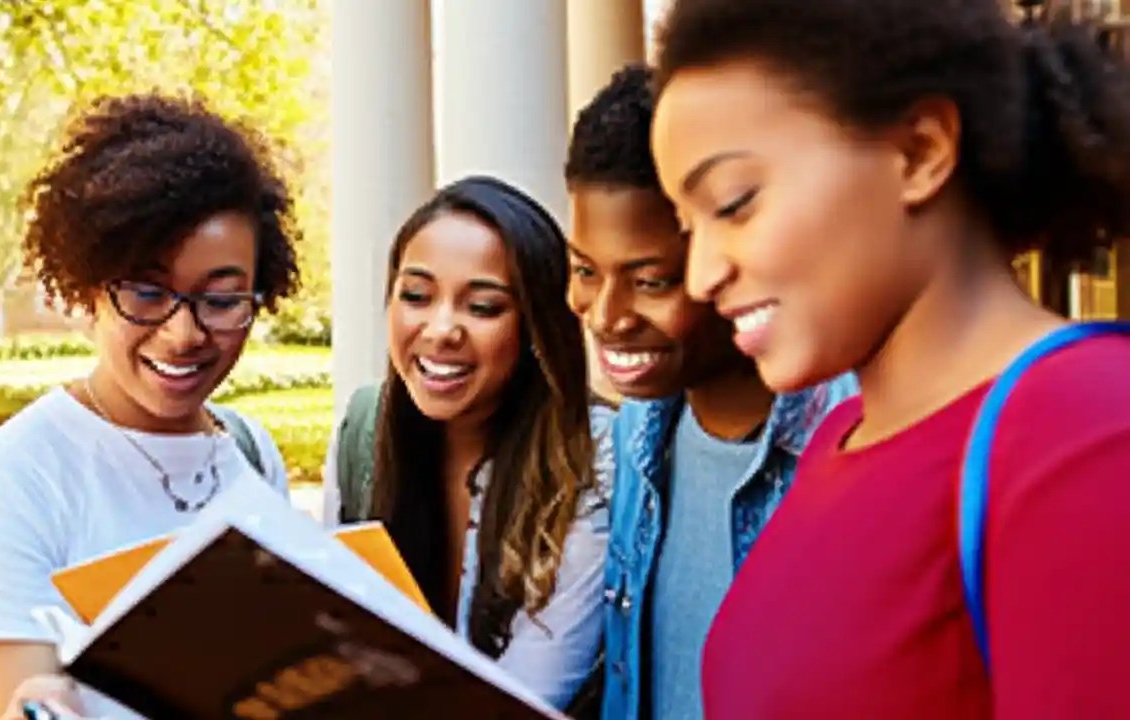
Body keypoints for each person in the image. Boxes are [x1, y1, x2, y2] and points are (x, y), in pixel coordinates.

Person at [649, 0, 1130, 717]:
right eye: (688, 227)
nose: (701, 276)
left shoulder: (1083, 432)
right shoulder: (835, 437)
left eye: (735, 202)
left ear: (919, 153)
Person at [0, 93, 299, 720]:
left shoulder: (249, 450)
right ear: (88, 287)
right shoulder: (13, 479)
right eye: (147, 293)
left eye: (221, 300)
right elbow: (18, 702)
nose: (184, 334)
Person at [563, 64, 856, 720]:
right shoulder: (636, 435)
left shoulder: (852, 445)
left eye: (651, 281)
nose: (606, 316)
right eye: (585, 270)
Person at [322, 175, 615, 714]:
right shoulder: (365, 430)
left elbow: (526, 695)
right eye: (416, 296)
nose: (441, 330)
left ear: (535, 326)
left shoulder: (593, 457)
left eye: (482, 307)